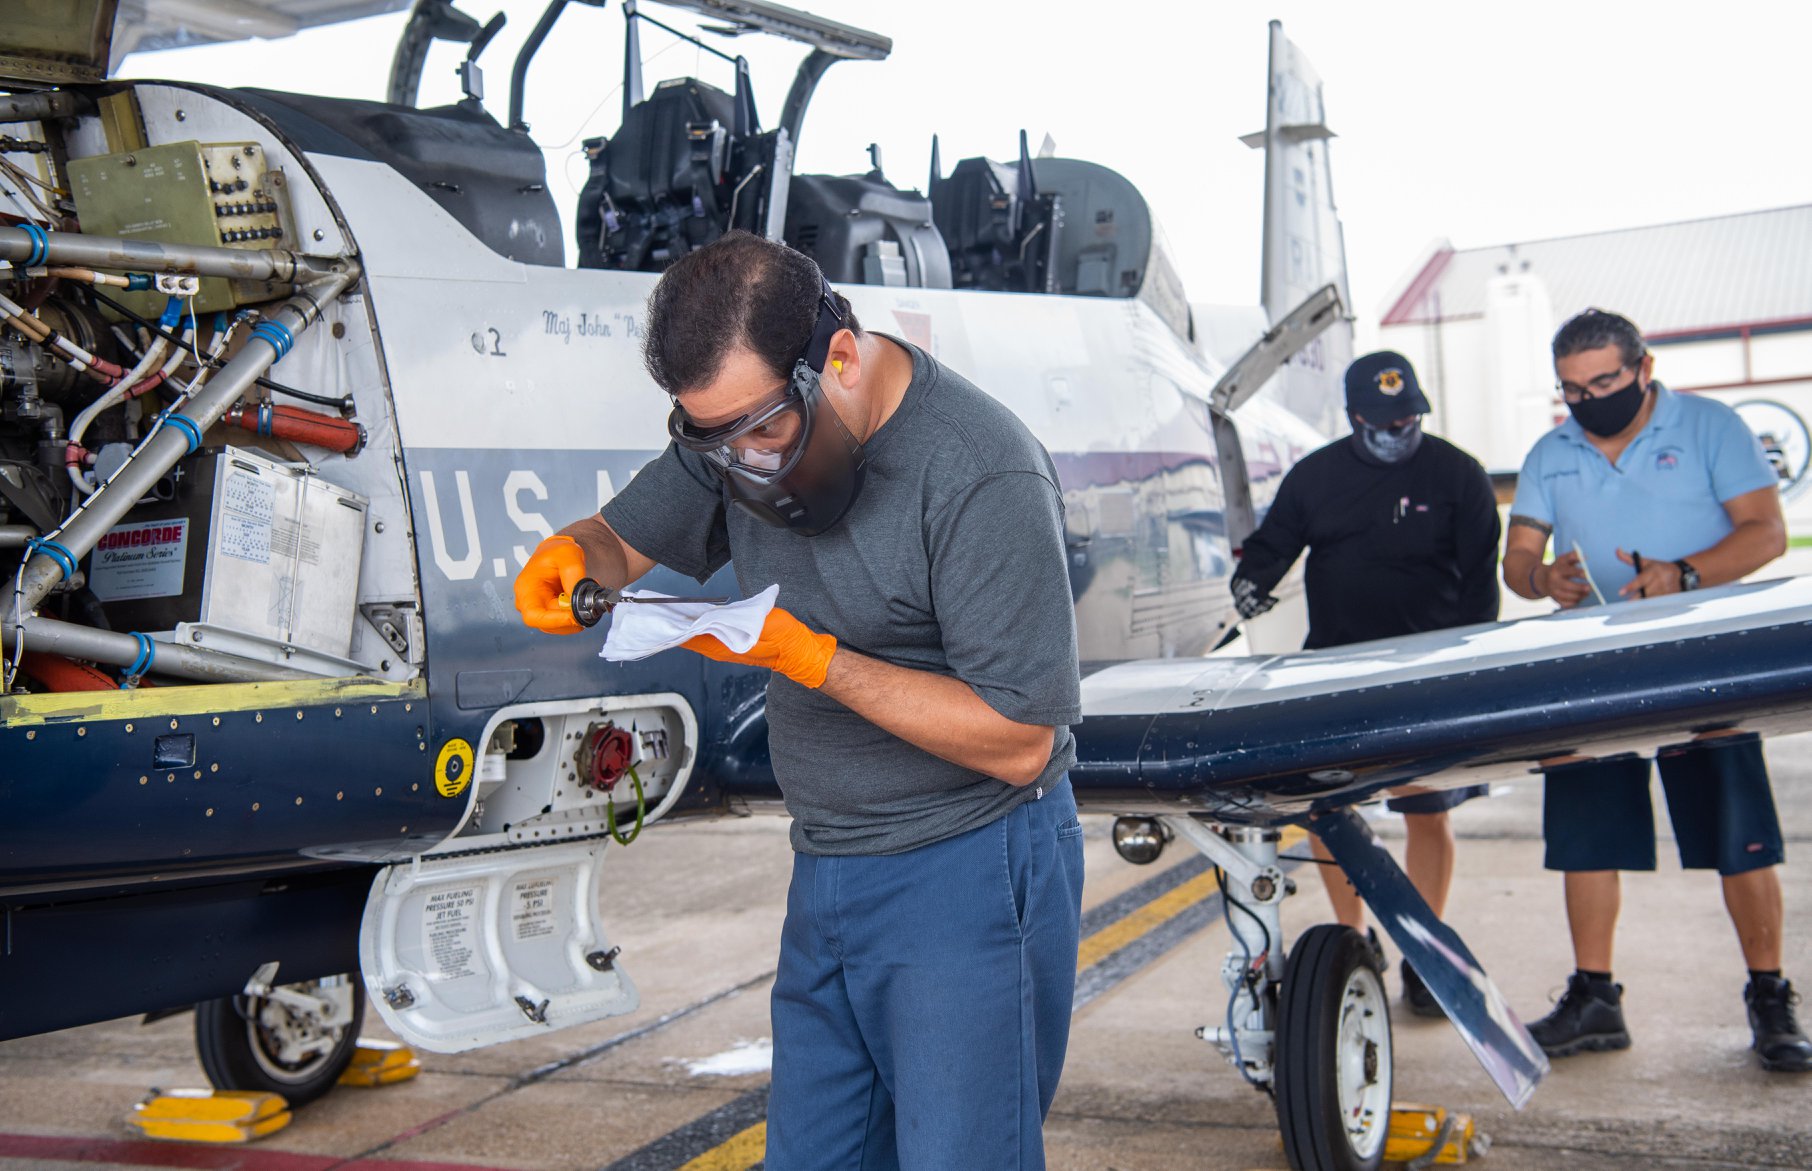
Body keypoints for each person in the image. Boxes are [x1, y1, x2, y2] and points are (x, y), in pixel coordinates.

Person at [514, 231, 1087, 1166]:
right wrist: (578, 553)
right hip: (828, 865)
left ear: (842, 358)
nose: (743, 459)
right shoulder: (734, 430)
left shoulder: (983, 471)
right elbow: (621, 539)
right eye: (714, 437)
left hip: (970, 865)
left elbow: (1023, 738)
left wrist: (816, 660)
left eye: (764, 428)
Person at [1503, 307, 1810, 1073]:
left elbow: (1766, 531)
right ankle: (1596, 998)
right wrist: (1543, 579)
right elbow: (1517, 559)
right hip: (1596, 662)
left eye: (1604, 380)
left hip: (1700, 656)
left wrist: (1685, 572)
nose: (1589, 399)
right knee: (1586, 829)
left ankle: (1769, 996)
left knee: (1737, 830)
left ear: (1644, 367)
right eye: (1572, 389)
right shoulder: (1551, 450)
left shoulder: (1710, 427)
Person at [1230, 350, 1500, 1017]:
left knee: (1424, 807)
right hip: (1336, 670)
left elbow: (1479, 582)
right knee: (1329, 805)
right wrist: (1251, 584)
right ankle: (1353, 934)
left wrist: (1468, 667)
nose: (1397, 429)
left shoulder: (1457, 474)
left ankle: (1424, 948)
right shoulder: (1317, 477)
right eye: (1382, 420)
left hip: (1425, 672)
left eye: (1408, 416)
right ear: (1354, 416)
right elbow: (1275, 543)